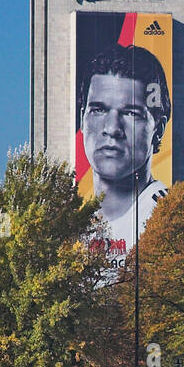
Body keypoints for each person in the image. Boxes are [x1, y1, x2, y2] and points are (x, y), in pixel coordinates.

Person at [76, 42, 171, 259]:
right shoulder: (67, 221)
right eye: (98, 110)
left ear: (158, 128)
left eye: (131, 113)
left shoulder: (167, 219)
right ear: (82, 118)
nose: (112, 129)